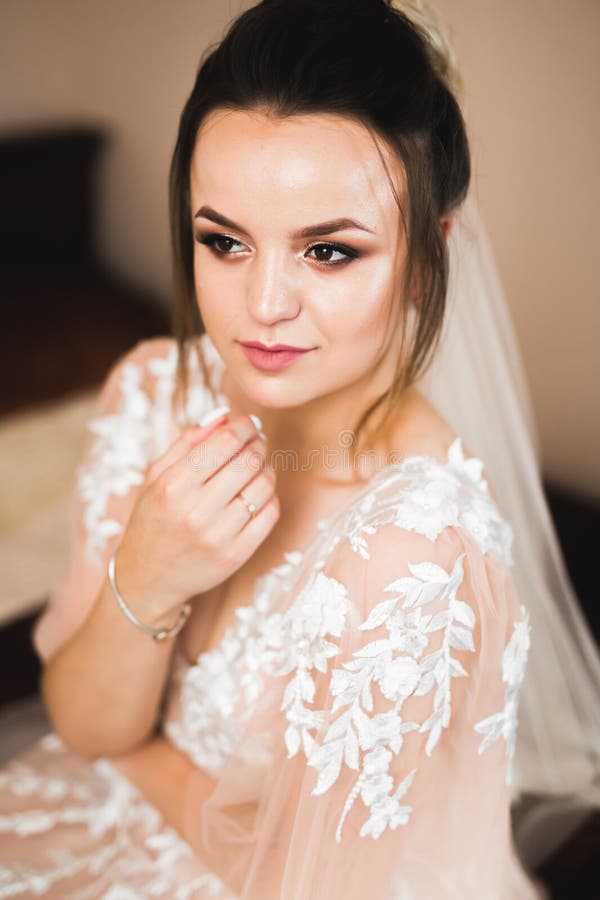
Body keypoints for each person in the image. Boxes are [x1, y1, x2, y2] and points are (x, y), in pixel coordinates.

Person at [1, 1, 597, 897]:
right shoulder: (154, 391)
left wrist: (142, 747)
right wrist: (150, 574)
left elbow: (311, 881)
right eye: (224, 241)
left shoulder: (419, 548)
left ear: (429, 256)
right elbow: (82, 724)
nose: (263, 305)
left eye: (326, 251)